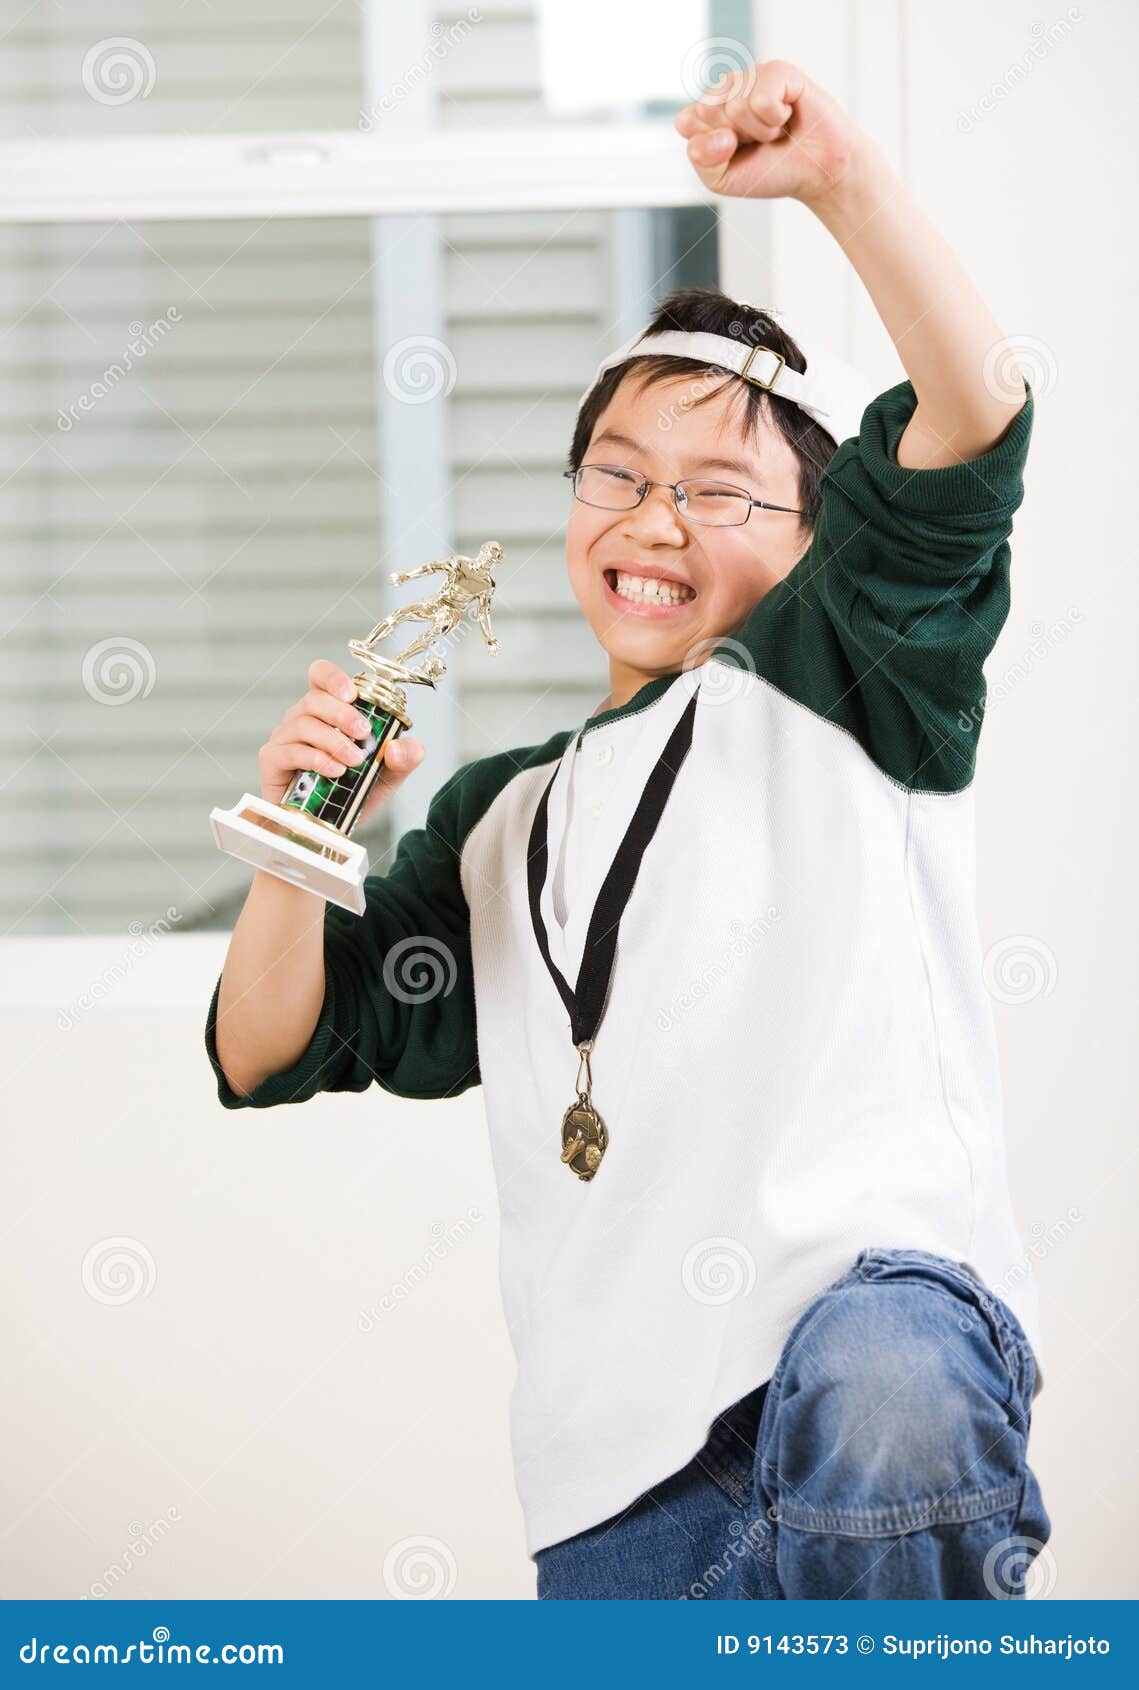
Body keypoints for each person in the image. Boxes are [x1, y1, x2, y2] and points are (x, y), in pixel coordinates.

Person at [205, 59, 1050, 1599]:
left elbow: (974, 415)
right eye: (620, 476)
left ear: (820, 541)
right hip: (617, 1487)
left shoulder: (843, 668)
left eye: (723, 493)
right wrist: (297, 844)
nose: (656, 521)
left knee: (888, 1380)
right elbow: (267, 1044)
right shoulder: (495, 814)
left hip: (865, 1368)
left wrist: (841, 178)